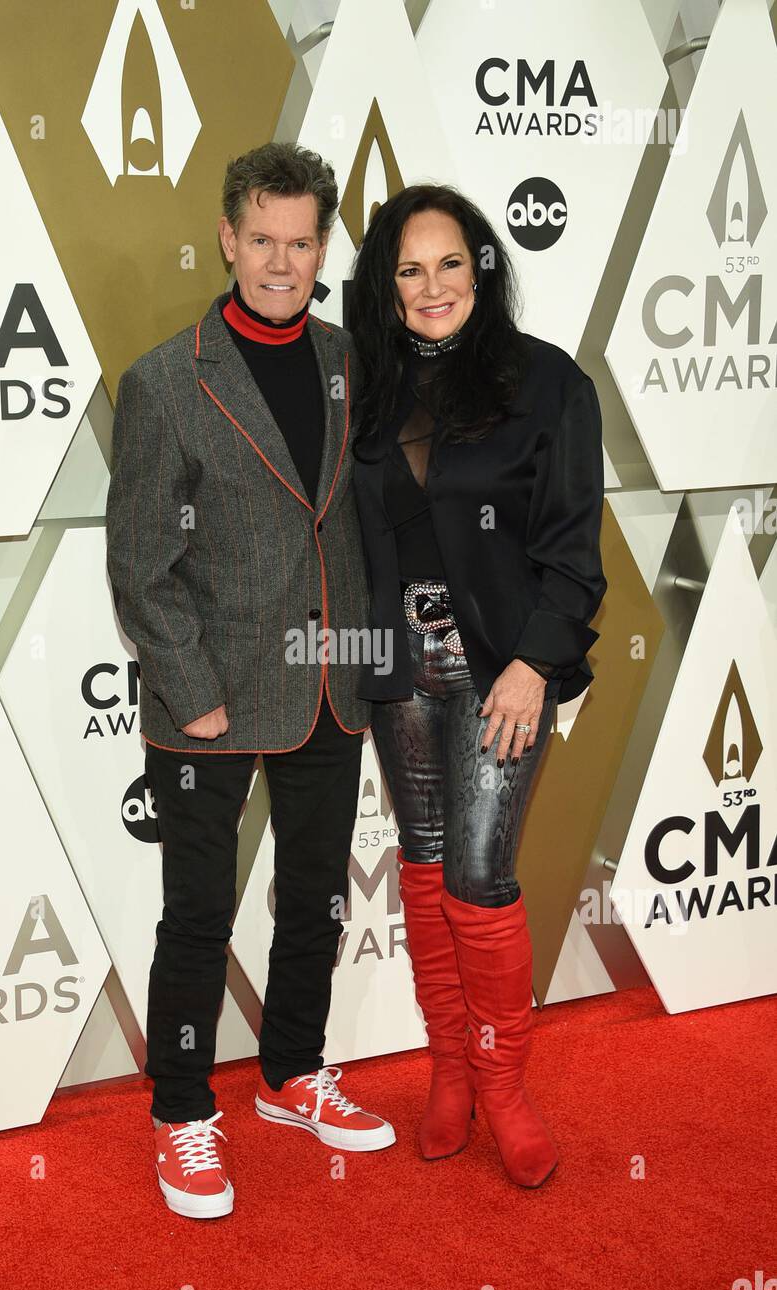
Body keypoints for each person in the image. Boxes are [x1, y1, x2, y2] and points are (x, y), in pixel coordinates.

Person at [106, 142, 395, 1221]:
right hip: (211, 697)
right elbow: (139, 559)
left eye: (302, 241)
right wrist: (189, 689)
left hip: (330, 681)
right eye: (261, 239)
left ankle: (289, 1072)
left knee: (316, 897)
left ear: (324, 247)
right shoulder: (163, 381)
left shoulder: (348, 357)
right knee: (198, 917)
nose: (281, 260)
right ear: (227, 239)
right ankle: (180, 1113)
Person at [349, 184, 607, 1188]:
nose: (429, 284)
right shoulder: (363, 392)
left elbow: (574, 547)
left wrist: (534, 666)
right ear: (387, 283)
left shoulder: (546, 384)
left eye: (448, 262)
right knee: (421, 863)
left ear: (481, 267)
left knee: (478, 877)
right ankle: (448, 1070)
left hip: (501, 670)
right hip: (397, 674)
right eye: (407, 268)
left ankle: (502, 1086)